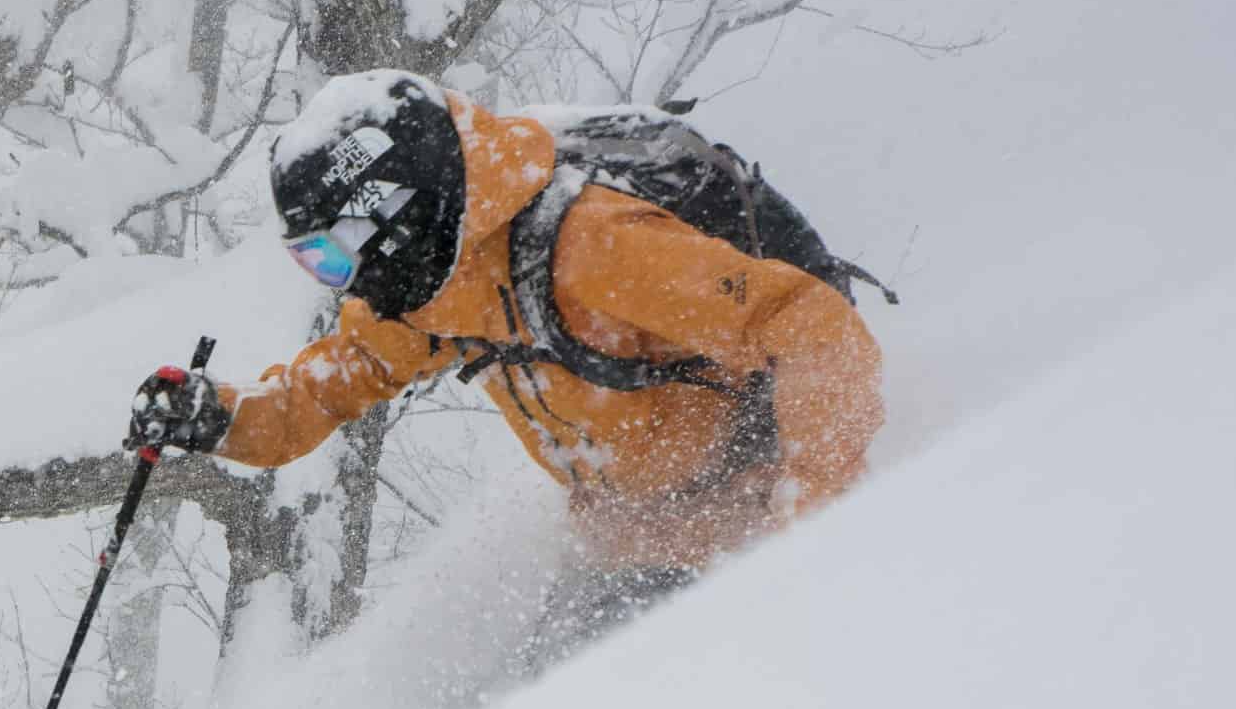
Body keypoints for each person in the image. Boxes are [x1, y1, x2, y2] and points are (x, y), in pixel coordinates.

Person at [132, 70, 885, 656]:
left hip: (748, 506)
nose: (341, 281)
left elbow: (811, 322)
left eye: (332, 253)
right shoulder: (440, 289)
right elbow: (330, 385)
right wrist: (223, 417)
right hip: (631, 534)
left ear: (396, 219)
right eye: (313, 261)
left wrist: (812, 514)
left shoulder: (593, 246)